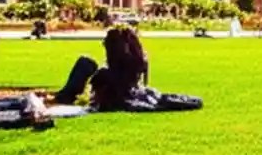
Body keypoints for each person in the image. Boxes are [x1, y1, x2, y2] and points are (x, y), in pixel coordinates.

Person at [54, 27, 201, 112]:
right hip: (125, 87)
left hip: (96, 91)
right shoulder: (135, 70)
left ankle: (61, 96)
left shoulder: (105, 77)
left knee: (86, 63)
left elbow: (92, 99)